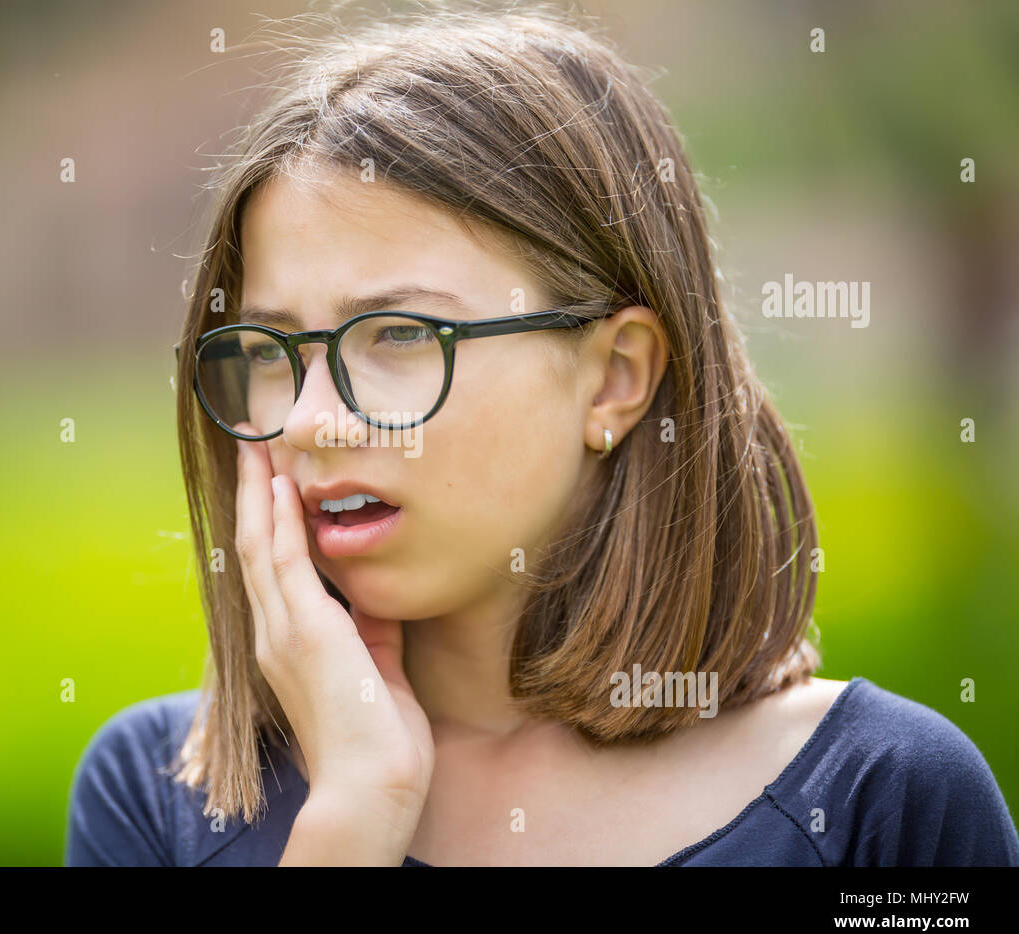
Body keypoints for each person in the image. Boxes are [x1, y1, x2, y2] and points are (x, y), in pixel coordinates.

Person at [65, 3, 1018, 866]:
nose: (311, 419)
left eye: (399, 334)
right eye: (272, 349)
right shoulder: (160, 798)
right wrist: (355, 815)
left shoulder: (881, 806)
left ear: (615, 377)